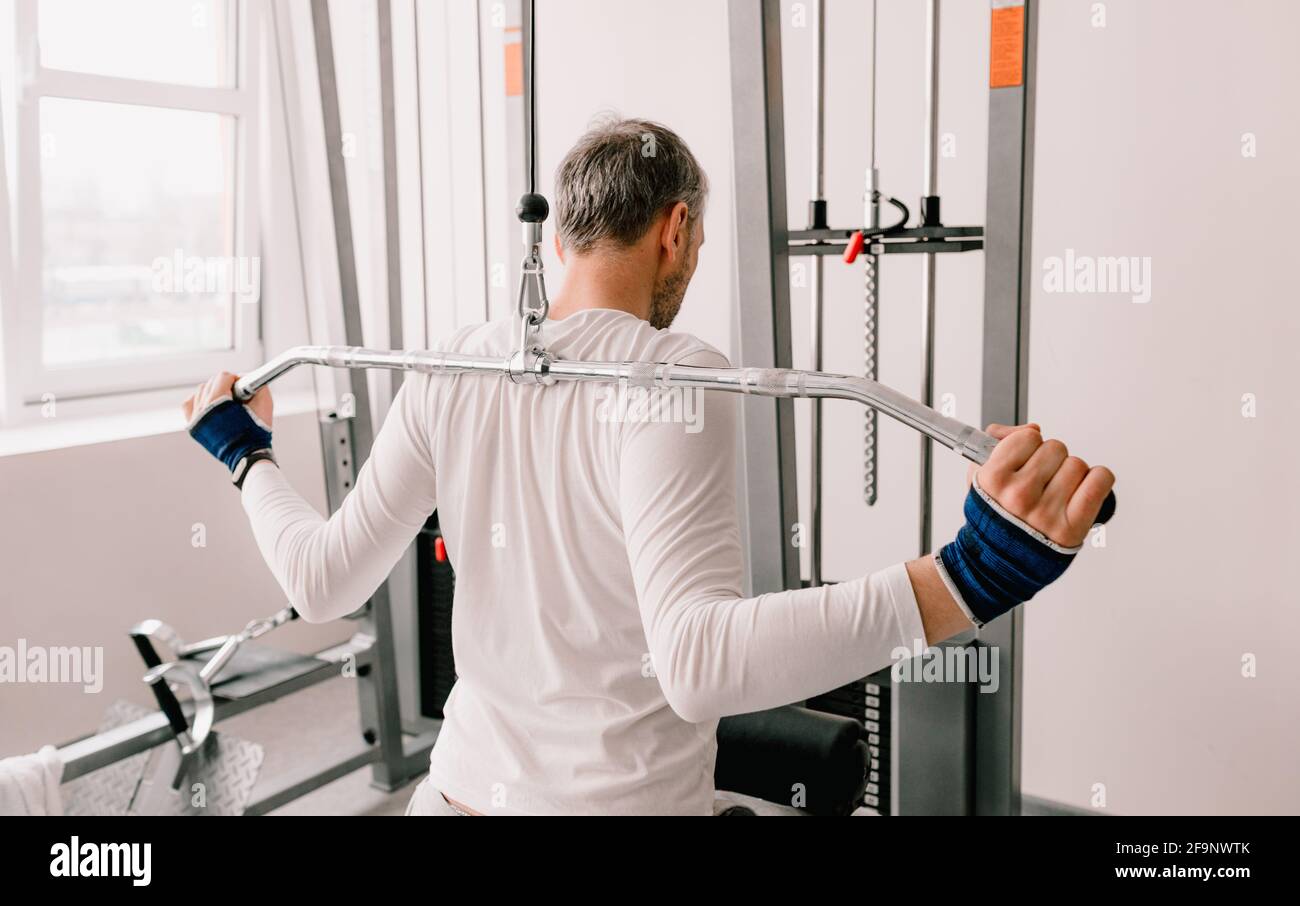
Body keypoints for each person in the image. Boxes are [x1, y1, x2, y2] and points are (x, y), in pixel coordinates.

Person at [182, 118, 1114, 816]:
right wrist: (976, 577)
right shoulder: (674, 374)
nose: (694, 261)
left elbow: (322, 580)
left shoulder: (453, 364)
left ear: (560, 242)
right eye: (698, 244)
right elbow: (700, 664)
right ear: (675, 230)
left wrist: (243, 450)